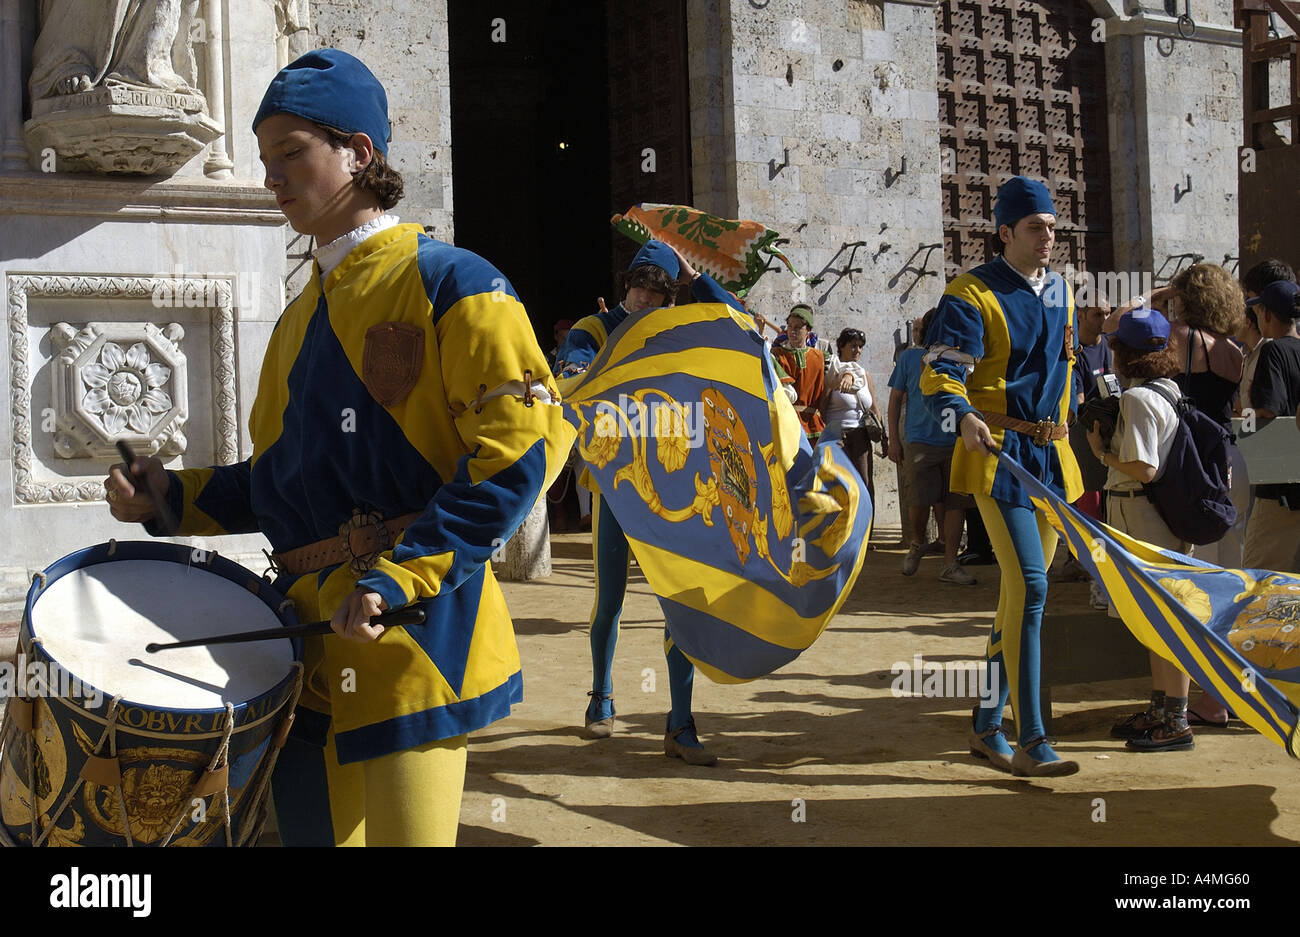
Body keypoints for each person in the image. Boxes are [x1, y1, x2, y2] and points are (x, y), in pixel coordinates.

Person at [104, 50, 567, 846]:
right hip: (305, 649)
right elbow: (278, 482)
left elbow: (522, 452)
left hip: (412, 638)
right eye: (264, 161)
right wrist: (169, 495)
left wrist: (400, 575)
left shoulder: (455, 281)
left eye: (293, 153)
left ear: (361, 153)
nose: (272, 179)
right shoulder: (294, 320)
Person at [554, 239, 747, 766]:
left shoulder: (679, 326)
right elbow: (573, 369)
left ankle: (680, 724)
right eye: (640, 284)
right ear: (627, 283)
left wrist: (695, 276)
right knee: (610, 600)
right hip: (618, 487)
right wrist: (577, 375)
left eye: (659, 290)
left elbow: (736, 323)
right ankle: (601, 696)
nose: (645, 297)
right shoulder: (594, 328)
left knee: (679, 606)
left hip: (679, 491)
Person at [921, 175, 1083, 777]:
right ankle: (1034, 737)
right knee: (1034, 588)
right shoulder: (969, 294)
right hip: (998, 454)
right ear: (1005, 232)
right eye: (1036, 228)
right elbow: (940, 372)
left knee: (1017, 596)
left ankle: (988, 727)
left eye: (1052, 229)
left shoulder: (1062, 289)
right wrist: (961, 414)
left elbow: (1067, 368)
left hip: (1051, 458)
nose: (1048, 238)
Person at [1088, 308, 1197, 751]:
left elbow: (1144, 468)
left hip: (1140, 514)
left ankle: (1175, 721)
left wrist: (1101, 452)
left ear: (1123, 352)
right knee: (1160, 619)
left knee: (1161, 620)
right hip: (1161, 518)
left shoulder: (1137, 399)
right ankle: (1163, 709)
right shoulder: (1170, 390)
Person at [888, 309, 976, 585]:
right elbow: (895, 399)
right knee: (918, 500)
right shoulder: (910, 359)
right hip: (920, 439)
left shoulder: (965, 359)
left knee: (955, 503)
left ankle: (950, 562)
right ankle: (918, 542)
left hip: (955, 441)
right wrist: (894, 439)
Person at [1244, 279, 1300, 574]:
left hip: (1279, 489)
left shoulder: (1273, 351)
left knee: (1260, 578)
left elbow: (1268, 410)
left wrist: (1243, 418)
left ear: (1266, 314)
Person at [822, 327, 885, 507]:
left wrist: (883, 436)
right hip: (837, 435)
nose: (857, 350)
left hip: (861, 435)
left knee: (863, 482)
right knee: (839, 484)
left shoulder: (865, 375)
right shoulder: (833, 371)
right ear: (841, 346)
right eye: (853, 345)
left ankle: (865, 530)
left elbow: (873, 406)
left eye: (860, 346)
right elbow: (823, 406)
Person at [771, 304, 826, 443]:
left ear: (807, 329)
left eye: (797, 327)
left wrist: (848, 376)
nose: (792, 331)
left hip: (813, 425)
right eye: (790, 326)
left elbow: (841, 370)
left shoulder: (820, 357)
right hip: (786, 422)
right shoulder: (776, 355)